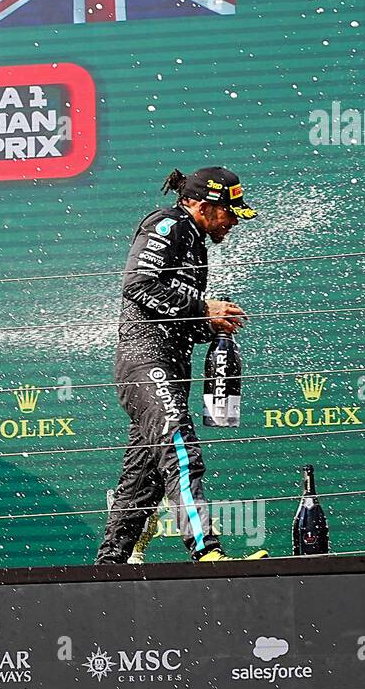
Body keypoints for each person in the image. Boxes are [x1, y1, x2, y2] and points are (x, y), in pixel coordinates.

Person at [96, 167, 266, 564]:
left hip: (170, 366)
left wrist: (209, 327)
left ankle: (109, 565)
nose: (233, 223)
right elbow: (138, 286)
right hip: (145, 360)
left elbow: (174, 314)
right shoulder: (168, 224)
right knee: (180, 450)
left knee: (144, 479)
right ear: (205, 206)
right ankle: (206, 551)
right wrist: (203, 308)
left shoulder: (196, 243)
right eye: (229, 213)